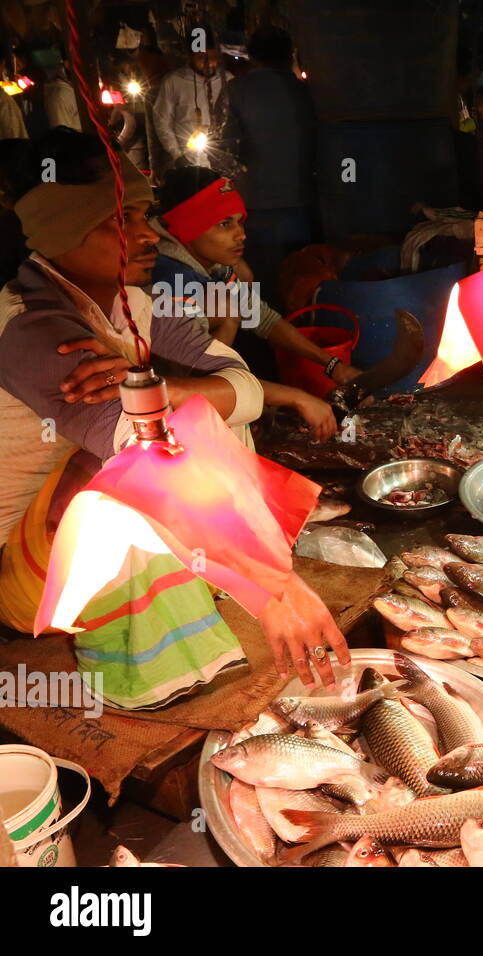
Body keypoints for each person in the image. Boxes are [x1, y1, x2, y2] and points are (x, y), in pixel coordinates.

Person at [0, 130, 350, 703]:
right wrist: (276, 585)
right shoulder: (32, 331)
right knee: (132, 463)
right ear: (61, 230)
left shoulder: (134, 302)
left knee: (207, 416)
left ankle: (214, 576)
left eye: (143, 215)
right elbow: (146, 449)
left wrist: (163, 386)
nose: (148, 236)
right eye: (121, 221)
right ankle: (141, 671)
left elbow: (239, 382)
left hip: (74, 524)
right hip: (24, 569)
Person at [151, 166, 360, 441]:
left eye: (240, 222)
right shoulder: (170, 283)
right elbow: (203, 384)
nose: (241, 234)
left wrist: (334, 366)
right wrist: (297, 398)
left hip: (206, 389)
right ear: (188, 229)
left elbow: (263, 319)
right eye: (225, 224)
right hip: (171, 418)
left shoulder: (210, 266)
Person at [220, 25, 316, 303]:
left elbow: (223, 149)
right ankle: (301, 329)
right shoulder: (307, 91)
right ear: (290, 55)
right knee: (300, 278)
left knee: (259, 280)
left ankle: (262, 334)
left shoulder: (236, 90)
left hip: (254, 203)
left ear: (252, 56)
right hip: (303, 201)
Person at [152, 45, 230, 172]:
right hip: (189, 161)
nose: (208, 63)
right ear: (190, 56)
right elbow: (162, 121)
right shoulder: (174, 81)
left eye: (213, 57)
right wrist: (177, 155)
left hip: (221, 162)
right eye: (201, 57)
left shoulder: (227, 80)